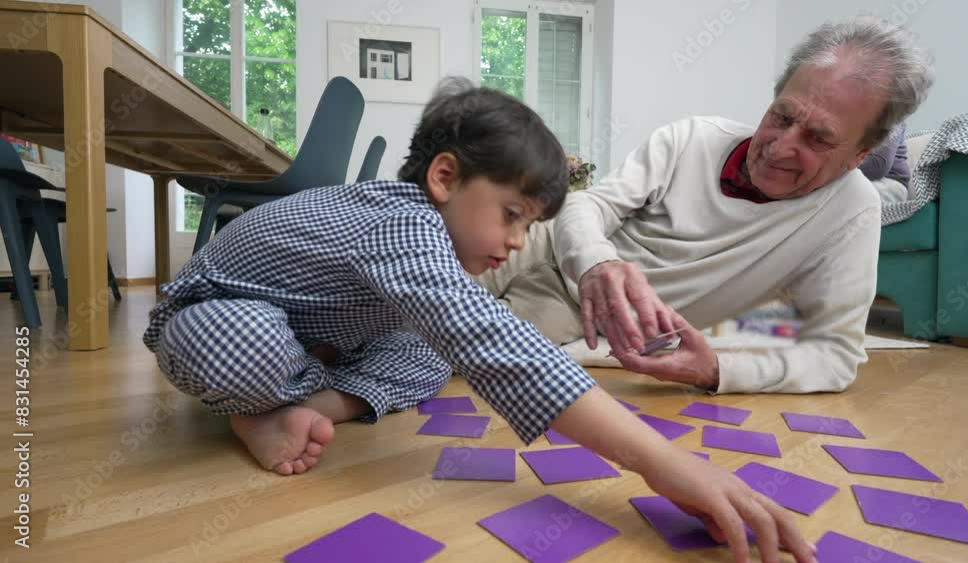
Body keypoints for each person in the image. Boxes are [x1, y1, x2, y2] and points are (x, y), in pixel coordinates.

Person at [143, 78, 816, 563]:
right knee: (243, 345)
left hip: (324, 339)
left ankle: (306, 398)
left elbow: (466, 335)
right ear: (443, 178)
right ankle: (260, 404)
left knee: (431, 353)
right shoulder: (401, 223)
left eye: (532, 224)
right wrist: (663, 463)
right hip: (214, 313)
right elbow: (501, 347)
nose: (521, 240)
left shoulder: (433, 238)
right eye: (513, 215)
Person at [478, 16, 934, 394]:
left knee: (448, 342)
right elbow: (587, 206)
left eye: (818, 138)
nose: (779, 147)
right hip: (536, 239)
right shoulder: (693, 137)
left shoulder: (851, 213)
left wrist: (717, 369)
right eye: (783, 116)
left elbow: (834, 356)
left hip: (572, 307)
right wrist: (599, 263)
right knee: (414, 267)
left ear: (860, 154)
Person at [859, 122, 912, 203]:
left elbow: (878, 165)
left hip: (890, 182)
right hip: (860, 178)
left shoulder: (893, 118)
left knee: (844, 196)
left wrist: (840, 168)